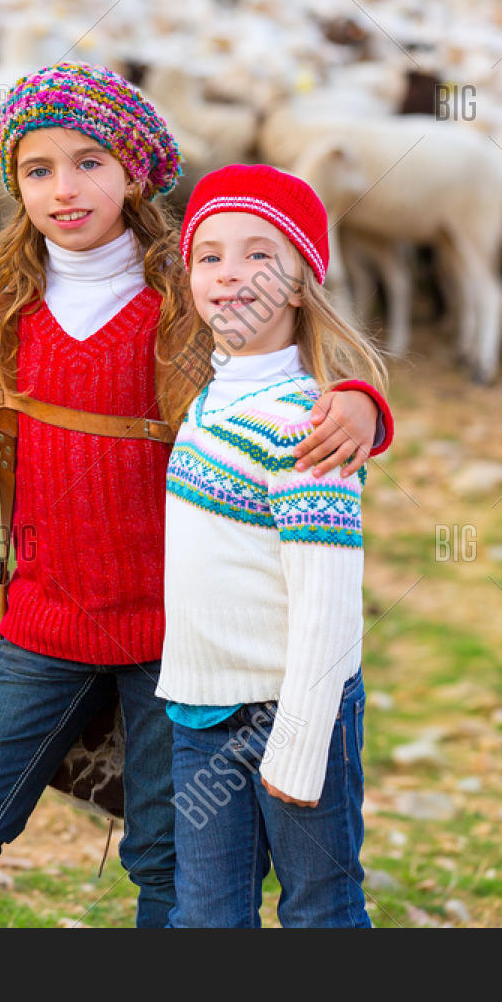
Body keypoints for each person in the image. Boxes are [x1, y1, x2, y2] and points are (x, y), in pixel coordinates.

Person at [0, 63, 395, 928]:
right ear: (14, 182)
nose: (65, 189)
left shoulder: (186, 293)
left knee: (167, 858)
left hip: (171, 638)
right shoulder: (3, 302)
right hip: (46, 622)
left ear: (134, 171)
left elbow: (288, 369)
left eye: (90, 162)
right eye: (38, 169)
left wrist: (365, 403)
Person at [158, 163, 386, 928]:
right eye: (210, 255)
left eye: (260, 253)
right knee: (206, 919)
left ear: (299, 284)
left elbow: (327, 599)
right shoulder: (208, 398)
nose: (230, 275)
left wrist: (298, 738)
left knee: (321, 908)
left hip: (292, 708)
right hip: (199, 711)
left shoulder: (304, 424)